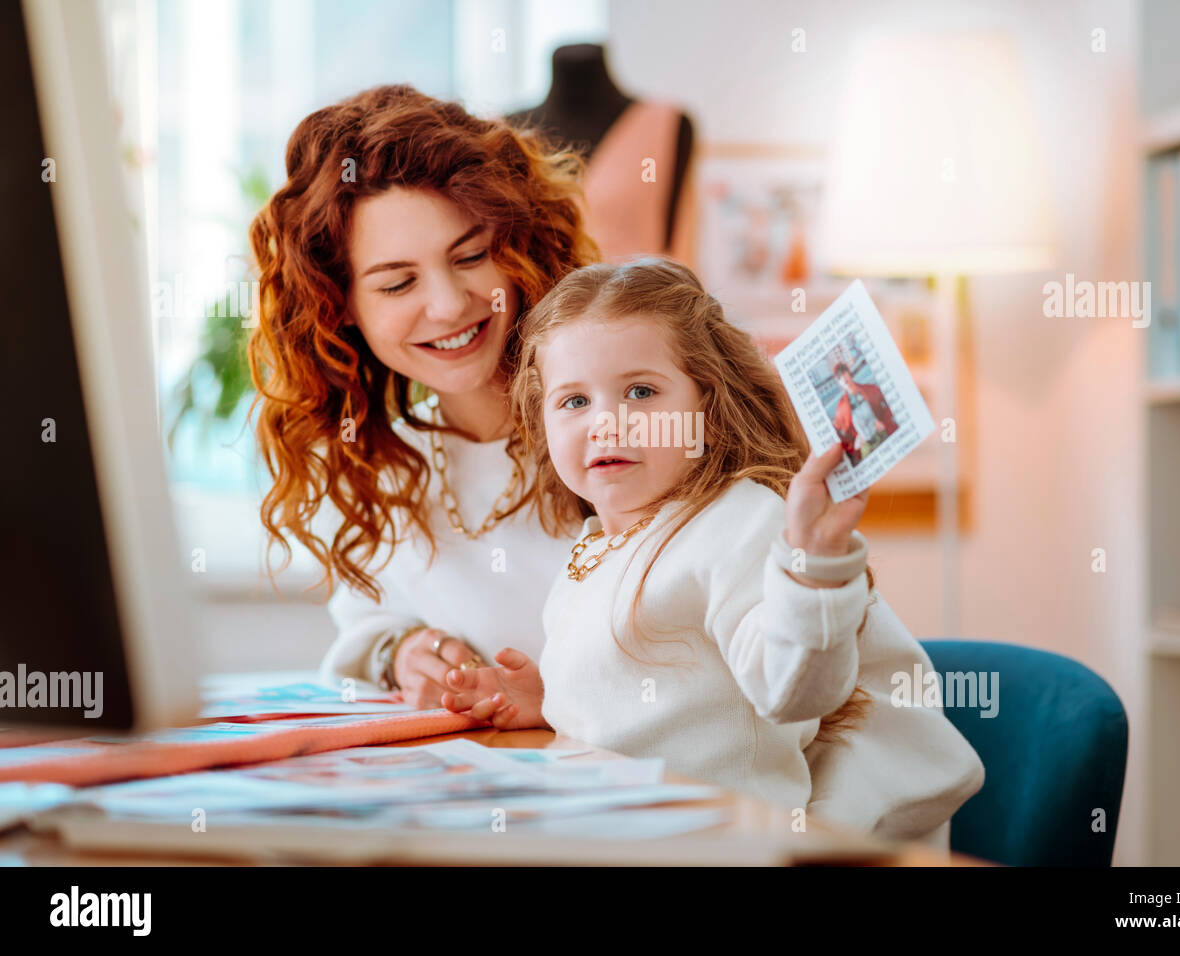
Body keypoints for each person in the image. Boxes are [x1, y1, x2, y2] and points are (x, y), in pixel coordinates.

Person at [439, 257, 985, 847]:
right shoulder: (596, 543)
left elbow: (794, 690)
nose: (606, 423)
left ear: (706, 402)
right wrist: (555, 702)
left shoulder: (737, 520)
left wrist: (816, 568)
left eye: (640, 391)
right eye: (574, 402)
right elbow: (665, 705)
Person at [246, 84, 599, 707]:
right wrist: (403, 652)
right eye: (397, 283)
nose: (447, 304)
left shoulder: (627, 424)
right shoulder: (374, 468)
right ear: (342, 306)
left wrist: (559, 699)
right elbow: (370, 626)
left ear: (518, 248)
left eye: (471, 256)